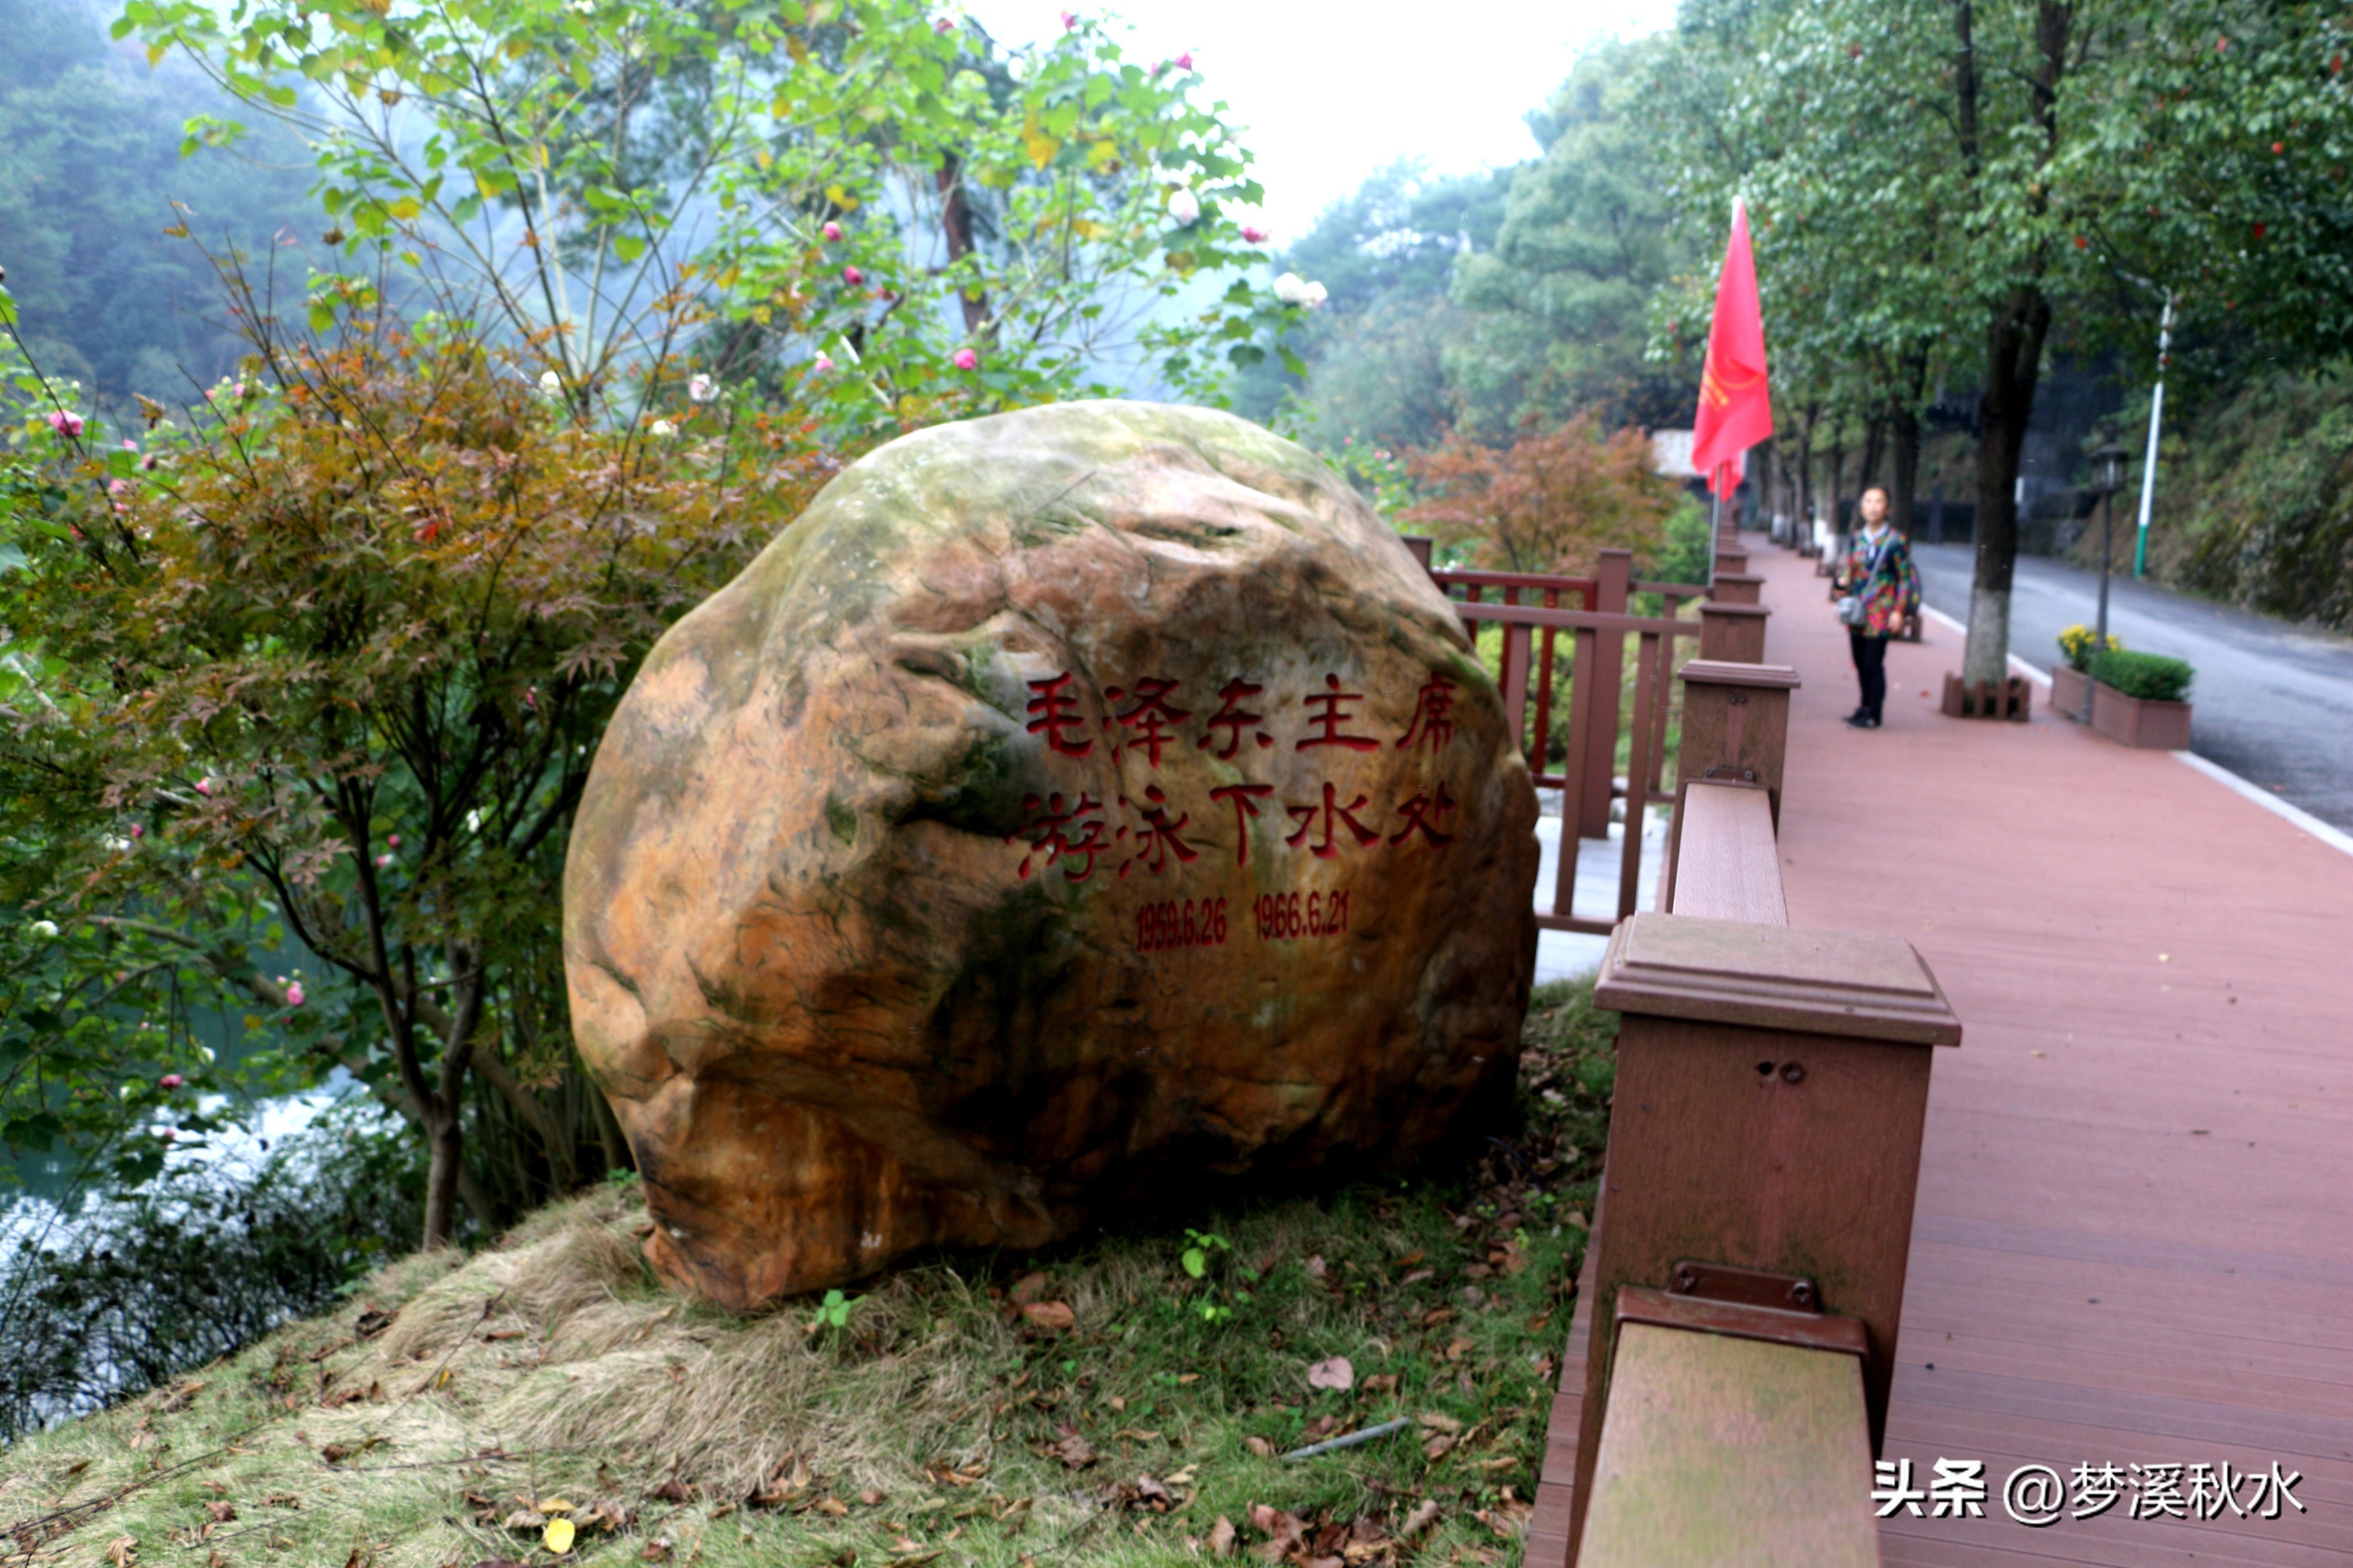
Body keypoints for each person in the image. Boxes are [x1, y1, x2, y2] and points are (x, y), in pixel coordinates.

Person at [1834, 486, 1922, 729]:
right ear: (1862, 508)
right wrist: (1841, 583)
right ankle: (1863, 708)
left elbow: (1905, 579)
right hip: (1858, 612)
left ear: (1888, 508)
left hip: (1882, 612)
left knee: (1873, 662)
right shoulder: (1856, 538)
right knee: (1860, 662)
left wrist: (1898, 611)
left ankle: (1875, 713)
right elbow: (1849, 570)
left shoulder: (1895, 540)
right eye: (1869, 501)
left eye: (1879, 502)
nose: (1873, 506)